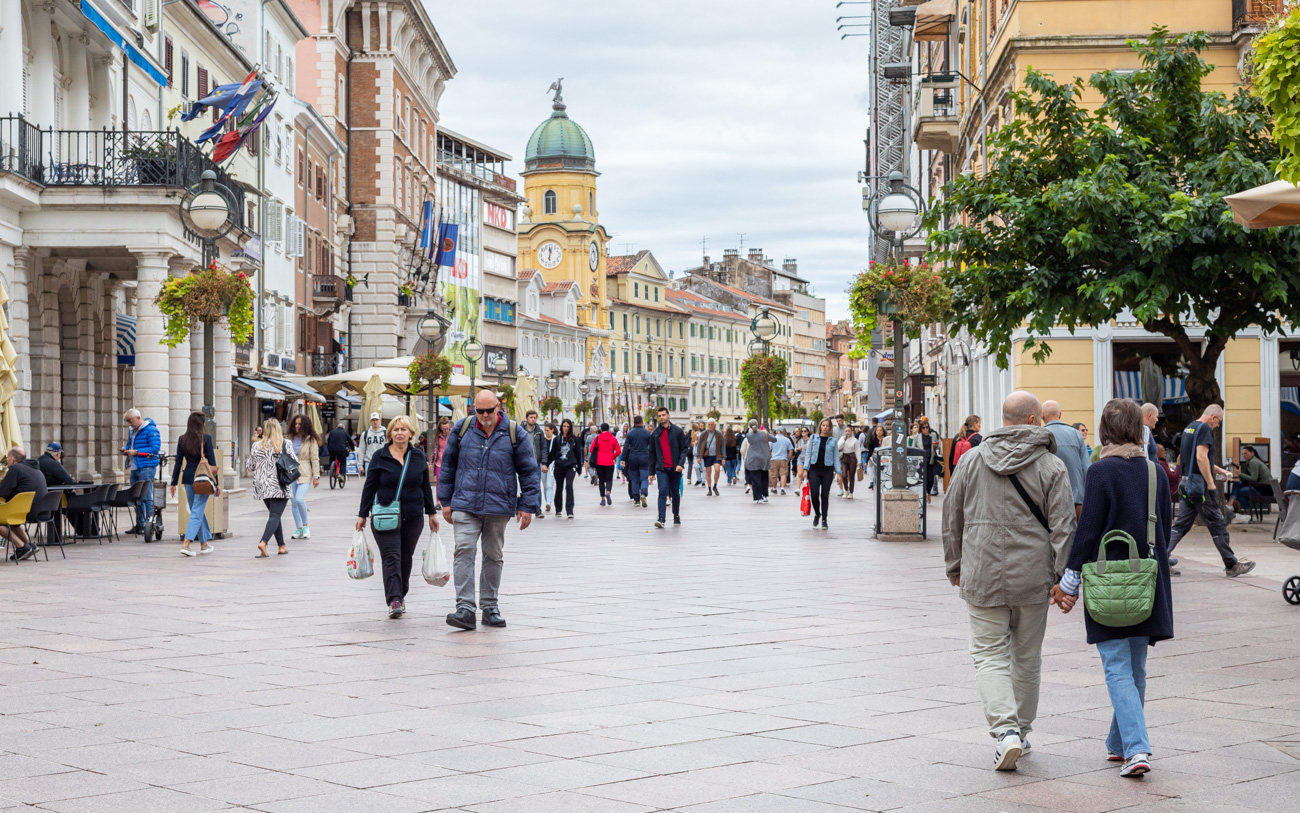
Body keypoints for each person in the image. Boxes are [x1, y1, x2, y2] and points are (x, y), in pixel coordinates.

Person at [942, 391, 1076, 772]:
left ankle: (1006, 733)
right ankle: (1022, 729)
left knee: (988, 655)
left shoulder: (970, 459)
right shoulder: (1052, 466)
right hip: (1034, 577)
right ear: (1035, 420)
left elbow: (951, 517)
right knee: (1027, 658)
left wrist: (955, 564)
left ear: (1003, 419)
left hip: (982, 571)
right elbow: (1065, 526)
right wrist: (1064, 578)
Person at [1055, 399, 1174, 778]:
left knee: (1117, 668)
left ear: (1105, 430)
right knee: (1135, 667)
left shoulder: (1101, 471)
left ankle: (1138, 749)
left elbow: (1088, 531)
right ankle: (1119, 743)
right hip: (1146, 579)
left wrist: (1070, 580)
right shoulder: (1154, 471)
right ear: (1139, 429)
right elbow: (1166, 529)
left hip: (1108, 581)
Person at [438, 390, 539, 630]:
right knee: (463, 550)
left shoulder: (515, 432)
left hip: (498, 504)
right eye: (479, 411)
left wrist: (527, 505)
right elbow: (448, 464)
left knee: (493, 555)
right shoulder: (462, 428)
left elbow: (528, 469)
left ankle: (490, 606)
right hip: (465, 502)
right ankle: (465, 608)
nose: (483, 415)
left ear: (499, 407)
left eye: (488, 411)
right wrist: (445, 500)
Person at [358, 416, 439, 619]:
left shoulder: (418, 456)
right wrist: (362, 514)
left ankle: (401, 595)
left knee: (405, 558)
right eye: (395, 430)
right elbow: (369, 487)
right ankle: (394, 599)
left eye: (403, 429)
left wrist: (431, 513)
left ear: (411, 433)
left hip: (413, 516)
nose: (399, 433)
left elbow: (425, 487)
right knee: (391, 556)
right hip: (385, 515)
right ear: (390, 434)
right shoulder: (380, 457)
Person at [1168, 404, 1255, 577]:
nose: (1218, 425)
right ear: (1213, 417)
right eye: (1219, 421)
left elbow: (1193, 458)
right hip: (1200, 488)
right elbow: (1201, 458)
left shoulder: (1189, 428)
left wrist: (1220, 470)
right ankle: (1231, 565)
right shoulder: (1205, 429)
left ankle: (1160, 558)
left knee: (1180, 526)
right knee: (1218, 525)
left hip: (1186, 484)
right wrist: (1211, 484)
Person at [245, 419, 298, 558]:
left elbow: (250, 467)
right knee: (275, 515)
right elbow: (293, 462)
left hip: (262, 485)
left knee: (274, 515)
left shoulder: (256, 445)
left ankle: (281, 546)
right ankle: (263, 542)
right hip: (279, 484)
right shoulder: (285, 444)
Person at [169, 412, 219, 556]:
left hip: (188, 479)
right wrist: (217, 484)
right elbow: (213, 464)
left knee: (196, 510)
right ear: (202, 424)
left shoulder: (182, 439)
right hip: (203, 478)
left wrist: (173, 482)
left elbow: (178, 462)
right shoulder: (206, 439)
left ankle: (204, 545)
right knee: (197, 511)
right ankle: (187, 543)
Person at [1041, 400, 1090, 517]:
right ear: (1060, 414)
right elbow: (1086, 467)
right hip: (1075, 497)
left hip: (1049, 497)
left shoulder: (1041, 435)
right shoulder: (1076, 434)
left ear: (1042, 416)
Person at [0, 448, 47, 560]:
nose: (7, 459)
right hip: (41, 509)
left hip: (28, 510)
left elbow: (4, 493)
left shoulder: (15, 469)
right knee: (12, 522)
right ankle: (29, 545)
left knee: (3, 521)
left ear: (12, 459)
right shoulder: (34, 468)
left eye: (8, 457)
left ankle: (21, 547)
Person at [122, 408, 162, 535]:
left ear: (138, 418)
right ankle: (140, 524)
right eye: (127, 421)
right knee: (135, 495)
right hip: (135, 467)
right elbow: (130, 445)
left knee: (146, 495)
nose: (129, 424)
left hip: (147, 466)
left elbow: (155, 449)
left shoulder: (151, 430)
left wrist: (137, 452)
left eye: (130, 421)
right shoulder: (132, 430)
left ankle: (148, 523)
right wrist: (126, 449)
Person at [650, 406, 689, 527]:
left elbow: (684, 449)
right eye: (660, 415)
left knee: (675, 492)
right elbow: (651, 453)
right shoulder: (655, 434)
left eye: (663, 415)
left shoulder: (677, 431)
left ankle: (676, 514)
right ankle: (661, 518)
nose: (661, 417)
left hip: (675, 468)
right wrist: (651, 472)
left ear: (668, 416)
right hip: (661, 468)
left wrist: (680, 464)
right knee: (662, 491)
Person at [284, 415, 321, 539]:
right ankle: (299, 528)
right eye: (295, 424)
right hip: (291, 471)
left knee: (300, 499)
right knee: (293, 501)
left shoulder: (311, 440)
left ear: (305, 425)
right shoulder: (289, 438)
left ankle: (306, 526)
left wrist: (316, 476)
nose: (297, 426)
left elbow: (315, 459)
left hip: (305, 471)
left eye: (300, 424)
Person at [799, 419, 840, 529]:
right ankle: (817, 513)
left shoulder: (833, 441)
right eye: (823, 425)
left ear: (830, 428)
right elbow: (808, 453)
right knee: (814, 495)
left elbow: (836, 457)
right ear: (820, 426)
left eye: (827, 426)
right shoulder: (813, 438)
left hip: (827, 470)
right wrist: (805, 469)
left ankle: (824, 519)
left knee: (825, 495)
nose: (825, 427)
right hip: (814, 470)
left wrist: (839, 472)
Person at [550, 419, 583, 519]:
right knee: (559, 487)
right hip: (559, 466)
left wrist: (579, 468)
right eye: (564, 426)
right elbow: (552, 453)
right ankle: (558, 509)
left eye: (568, 426)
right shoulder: (557, 439)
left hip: (570, 466)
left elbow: (578, 453)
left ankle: (570, 510)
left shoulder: (574, 439)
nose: (566, 428)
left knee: (569, 486)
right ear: (561, 427)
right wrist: (545, 463)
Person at [1230, 445, 1270, 516]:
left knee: (1239, 492)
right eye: (1242, 454)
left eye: (1246, 453)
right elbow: (1246, 478)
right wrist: (1237, 466)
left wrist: (1239, 474)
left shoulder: (1253, 462)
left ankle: (1230, 504)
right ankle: (1247, 513)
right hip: (1258, 486)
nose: (1243, 455)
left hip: (1263, 489)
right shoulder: (1250, 461)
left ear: (1252, 453)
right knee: (1237, 484)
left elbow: (1253, 478)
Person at [743, 420, 777, 503]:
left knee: (755, 478)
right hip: (764, 458)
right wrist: (765, 432)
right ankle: (765, 495)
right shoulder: (763, 433)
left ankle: (758, 497)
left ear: (750, 426)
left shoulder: (748, 435)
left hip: (753, 458)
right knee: (764, 477)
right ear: (757, 425)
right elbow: (774, 439)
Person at [623, 415, 653, 507]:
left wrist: (623, 459)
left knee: (634, 479)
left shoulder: (630, 433)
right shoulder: (647, 433)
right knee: (644, 477)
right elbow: (651, 447)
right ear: (642, 422)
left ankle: (636, 500)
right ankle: (643, 493)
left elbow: (625, 447)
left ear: (634, 422)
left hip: (633, 458)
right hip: (644, 457)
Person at [588, 423, 621, 506]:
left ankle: (602, 500)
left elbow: (591, 450)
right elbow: (618, 451)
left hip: (599, 462)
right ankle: (608, 492)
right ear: (609, 429)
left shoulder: (597, 438)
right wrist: (612, 456)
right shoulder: (613, 439)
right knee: (609, 479)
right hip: (609, 462)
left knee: (601, 481)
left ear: (601, 429)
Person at [522, 410, 546, 519]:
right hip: (522, 463)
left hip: (535, 463)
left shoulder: (539, 432)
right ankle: (521, 508)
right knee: (521, 486)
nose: (533, 419)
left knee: (536, 487)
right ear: (526, 418)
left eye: (534, 417)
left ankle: (537, 509)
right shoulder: (520, 430)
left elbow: (544, 448)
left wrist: (544, 463)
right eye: (531, 417)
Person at [696, 419, 725, 496]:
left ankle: (715, 486)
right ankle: (709, 489)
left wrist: (724, 457)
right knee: (708, 472)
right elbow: (699, 445)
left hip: (717, 455)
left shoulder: (719, 434)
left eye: (712, 424)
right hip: (707, 455)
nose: (710, 426)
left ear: (715, 425)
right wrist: (698, 456)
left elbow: (722, 446)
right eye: (709, 424)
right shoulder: (704, 434)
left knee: (717, 469)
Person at [917, 420, 941, 501]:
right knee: (923, 478)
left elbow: (937, 447)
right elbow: (913, 447)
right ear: (921, 429)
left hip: (931, 459)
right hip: (921, 460)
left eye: (927, 427)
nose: (925, 429)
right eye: (923, 428)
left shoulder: (933, 435)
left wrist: (936, 446)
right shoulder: (917, 437)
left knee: (930, 478)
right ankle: (925, 493)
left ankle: (929, 492)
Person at [432, 418, 451, 508]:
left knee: (450, 481)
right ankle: (438, 502)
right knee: (439, 482)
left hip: (450, 462)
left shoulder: (452, 435)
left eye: (447, 428)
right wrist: (431, 462)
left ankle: (449, 500)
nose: (446, 430)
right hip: (439, 462)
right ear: (440, 428)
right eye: (444, 429)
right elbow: (434, 450)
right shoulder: (437, 436)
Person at [769, 429, 794, 496]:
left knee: (774, 475)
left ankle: (774, 488)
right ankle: (782, 488)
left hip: (774, 459)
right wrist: (789, 458)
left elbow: (769, 448)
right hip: (783, 459)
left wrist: (770, 456)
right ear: (783, 432)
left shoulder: (772, 439)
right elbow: (791, 449)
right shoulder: (787, 439)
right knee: (783, 474)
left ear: (776, 432)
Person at [539, 422, 557, 513]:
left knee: (550, 484)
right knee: (545, 484)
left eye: (547, 430)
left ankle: (548, 503)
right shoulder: (542, 440)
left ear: (552, 430)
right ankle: (547, 502)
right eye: (545, 430)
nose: (546, 432)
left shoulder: (555, 439)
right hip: (542, 464)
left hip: (552, 465)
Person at [838, 427, 861, 499]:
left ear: (851, 431)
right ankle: (846, 490)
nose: (847, 432)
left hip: (852, 458)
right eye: (846, 431)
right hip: (844, 457)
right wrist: (843, 441)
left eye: (849, 431)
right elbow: (838, 447)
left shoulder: (855, 440)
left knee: (851, 476)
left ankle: (851, 492)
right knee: (844, 475)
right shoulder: (842, 438)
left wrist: (859, 461)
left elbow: (857, 451)